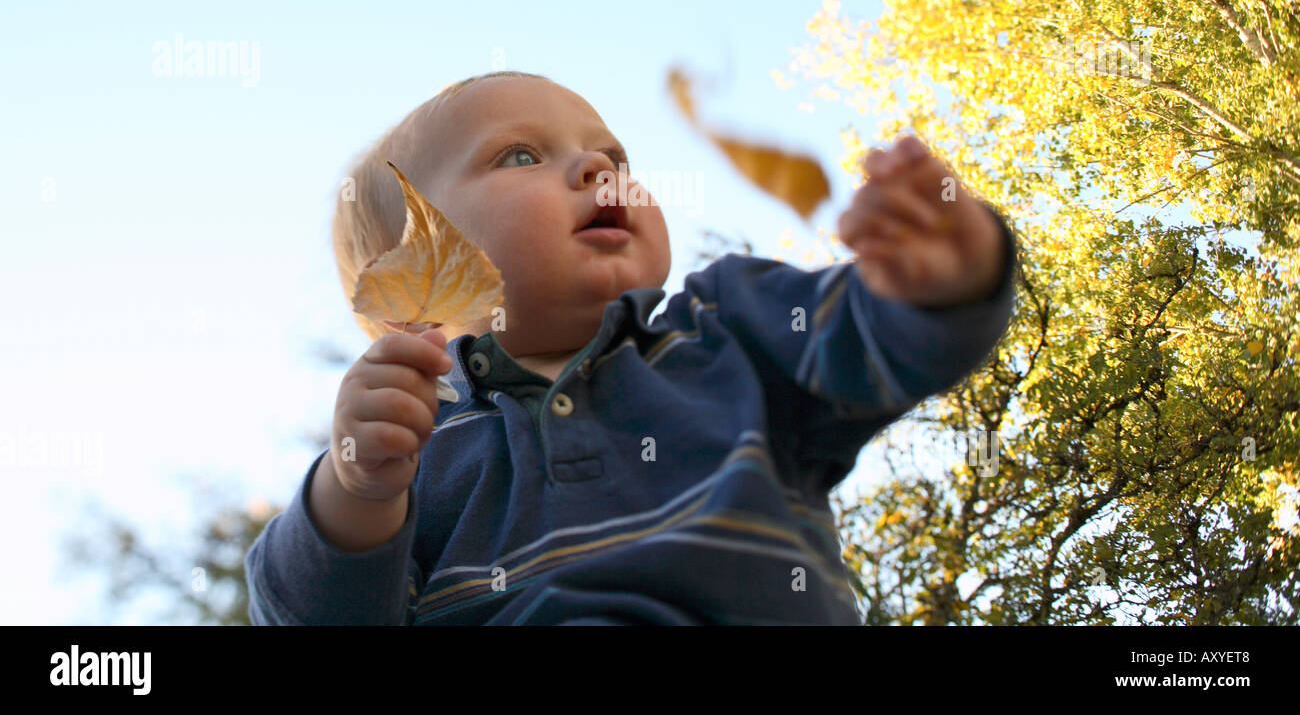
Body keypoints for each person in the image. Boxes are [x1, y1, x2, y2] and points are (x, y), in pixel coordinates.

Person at [244, 70, 1018, 624]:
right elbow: (308, 610)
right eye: (520, 155)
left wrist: (943, 275)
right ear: (414, 274)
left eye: (614, 160)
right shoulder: (419, 457)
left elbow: (880, 340)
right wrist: (356, 490)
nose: (595, 168)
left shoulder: (729, 334)